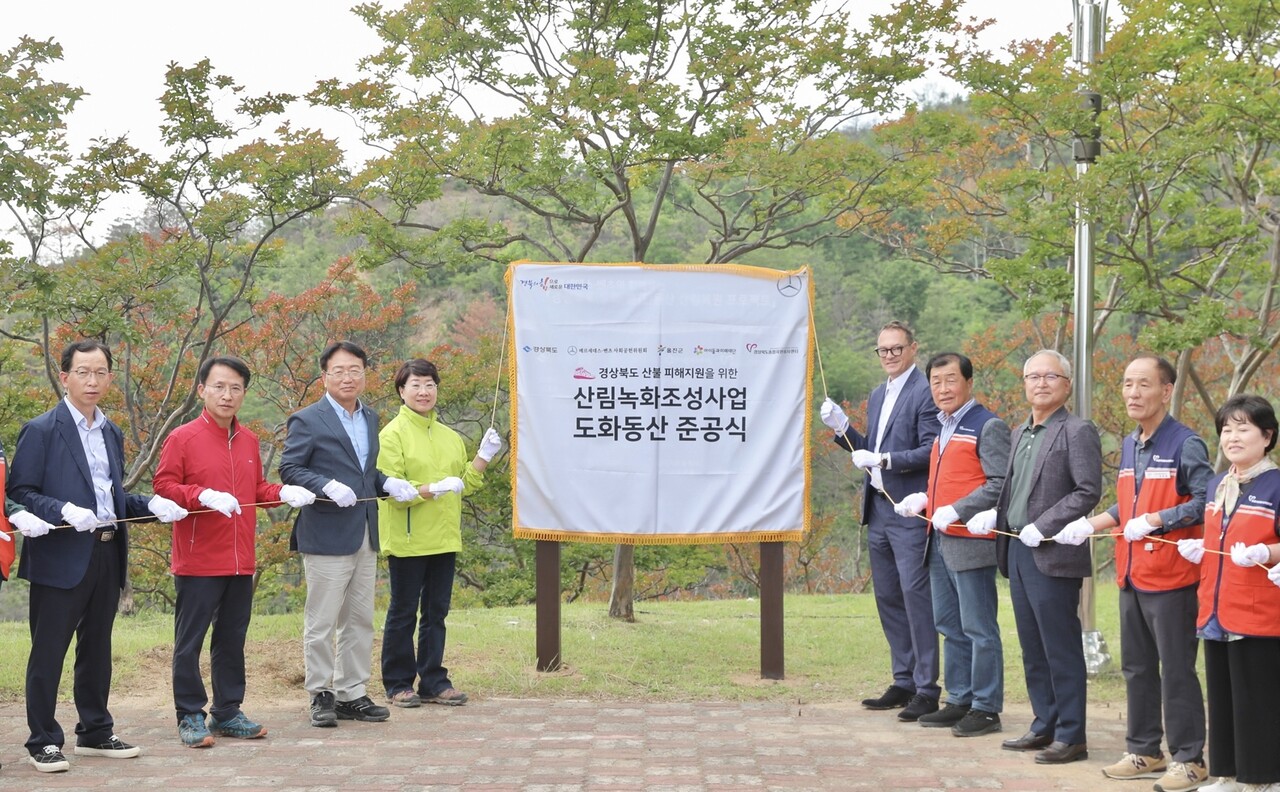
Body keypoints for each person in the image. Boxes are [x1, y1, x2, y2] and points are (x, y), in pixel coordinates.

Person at [9, 339, 188, 773]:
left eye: (100, 372)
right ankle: (43, 739)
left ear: (110, 376)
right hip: (59, 556)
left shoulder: (111, 431)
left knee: (97, 647)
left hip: (107, 553)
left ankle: (94, 730)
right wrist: (63, 510)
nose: (92, 381)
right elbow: (19, 494)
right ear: (65, 376)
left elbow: (113, 498)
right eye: (83, 372)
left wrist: (150, 506)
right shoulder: (42, 429)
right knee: (49, 650)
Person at [1057, 355, 1210, 790]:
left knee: (1177, 669)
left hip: (1173, 577)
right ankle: (1144, 749)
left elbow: (1205, 500)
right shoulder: (1129, 443)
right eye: (1127, 385)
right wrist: (1092, 524)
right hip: (1132, 572)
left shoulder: (1186, 443)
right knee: (1137, 668)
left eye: (1144, 385)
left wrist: (1159, 520)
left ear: (1166, 390)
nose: (1133, 393)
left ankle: (1190, 758)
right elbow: (1129, 505)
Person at [153, 356, 319, 748]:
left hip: (240, 559)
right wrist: (202, 495)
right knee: (189, 641)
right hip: (198, 558)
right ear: (202, 390)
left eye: (235, 388)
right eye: (219, 386)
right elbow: (163, 486)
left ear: (244, 393)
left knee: (231, 639)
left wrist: (282, 493)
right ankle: (189, 714)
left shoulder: (248, 440)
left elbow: (255, 491)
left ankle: (227, 711)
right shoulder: (183, 437)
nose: (227, 395)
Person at [967, 348, 1101, 765]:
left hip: (1054, 553)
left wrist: (1043, 525)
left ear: (1066, 384)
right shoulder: (1017, 432)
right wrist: (995, 514)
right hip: (1017, 551)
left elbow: (1087, 490)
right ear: (1024, 384)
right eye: (1033, 376)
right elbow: (1012, 487)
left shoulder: (1077, 431)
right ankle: (1044, 723)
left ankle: (1072, 735)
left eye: (1050, 376)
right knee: (1032, 647)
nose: (1040, 383)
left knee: (1060, 647)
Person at [278, 341, 418, 728]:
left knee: (359, 620)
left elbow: (366, 474)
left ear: (364, 374)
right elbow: (289, 469)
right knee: (322, 620)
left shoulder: (371, 417)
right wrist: (325, 485)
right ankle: (321, 692)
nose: (347, 377)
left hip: (365, 532)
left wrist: (389, 482)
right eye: (338, 370)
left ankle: (352, 692)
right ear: (324, 376)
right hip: (325, 533)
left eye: (354, 369)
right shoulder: (307, 419)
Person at [819, 321, 942, 721]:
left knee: (915, 597)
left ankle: (927, 687)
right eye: (882, 350)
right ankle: (903, 679)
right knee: (888, 597)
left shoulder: (925, 392)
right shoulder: (877, 394)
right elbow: (868, 450)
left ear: (913, 349)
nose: (889, 355)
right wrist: (843, 430)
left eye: (896, 349)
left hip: (908, 508)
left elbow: (930, 450)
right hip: (878, 509)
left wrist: (885, 460)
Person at [894, 352, 1010, 737]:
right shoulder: (944, 426)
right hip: (939, 540)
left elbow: (999, 484)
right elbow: (949, 477)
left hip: (971, 542)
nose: (943, 389)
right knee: (949, 624)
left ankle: (986, 707)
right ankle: (959, 699)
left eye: (950, 380)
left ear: (968, 382)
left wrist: (958, 508)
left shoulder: (986, 425)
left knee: (979, 627)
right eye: (936, 382)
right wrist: (926, 499)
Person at [377, 359, 503, 708]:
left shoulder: (450, 437)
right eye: (415, 384)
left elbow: (466, 484)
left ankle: (433, 680)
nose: (423, 391)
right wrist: (432, 487)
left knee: (436, 612)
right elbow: (393, 493)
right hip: (407, 539)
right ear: (401, 391)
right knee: (403, 612)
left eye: (430, 384)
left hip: (445, 537)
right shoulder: (391, 435)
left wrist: (483, 456)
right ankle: (398, 683)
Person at [1179, 395, 1280, 792]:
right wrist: (1198, 549)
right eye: (1226, 429)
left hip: (1259, 610)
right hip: (1216, 606)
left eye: (1243, 428)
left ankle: (1264, 778)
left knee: (1256, 698)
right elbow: (1218, 538)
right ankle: (1229, 774)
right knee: (1222, 697)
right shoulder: (1219, 483)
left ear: (1267, 436)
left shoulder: (1276, 484)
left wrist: (1266, 552)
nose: (1232, 437)